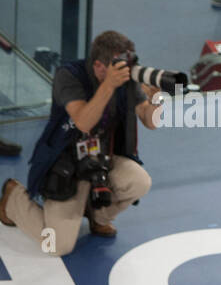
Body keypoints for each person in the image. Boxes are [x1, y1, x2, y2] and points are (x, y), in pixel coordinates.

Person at [1, 31, 162, 256]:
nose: (124, 71)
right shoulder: (68, 76)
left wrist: (157, 100)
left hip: (101, 160)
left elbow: (150, 121)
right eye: (118, 67)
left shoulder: (125, 80)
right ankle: (13, 198)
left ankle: (97, 216)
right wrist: (109, 86)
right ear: (98, 66)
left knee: (139, 182)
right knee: (58, 246)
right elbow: (83, 122)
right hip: (65, 164)